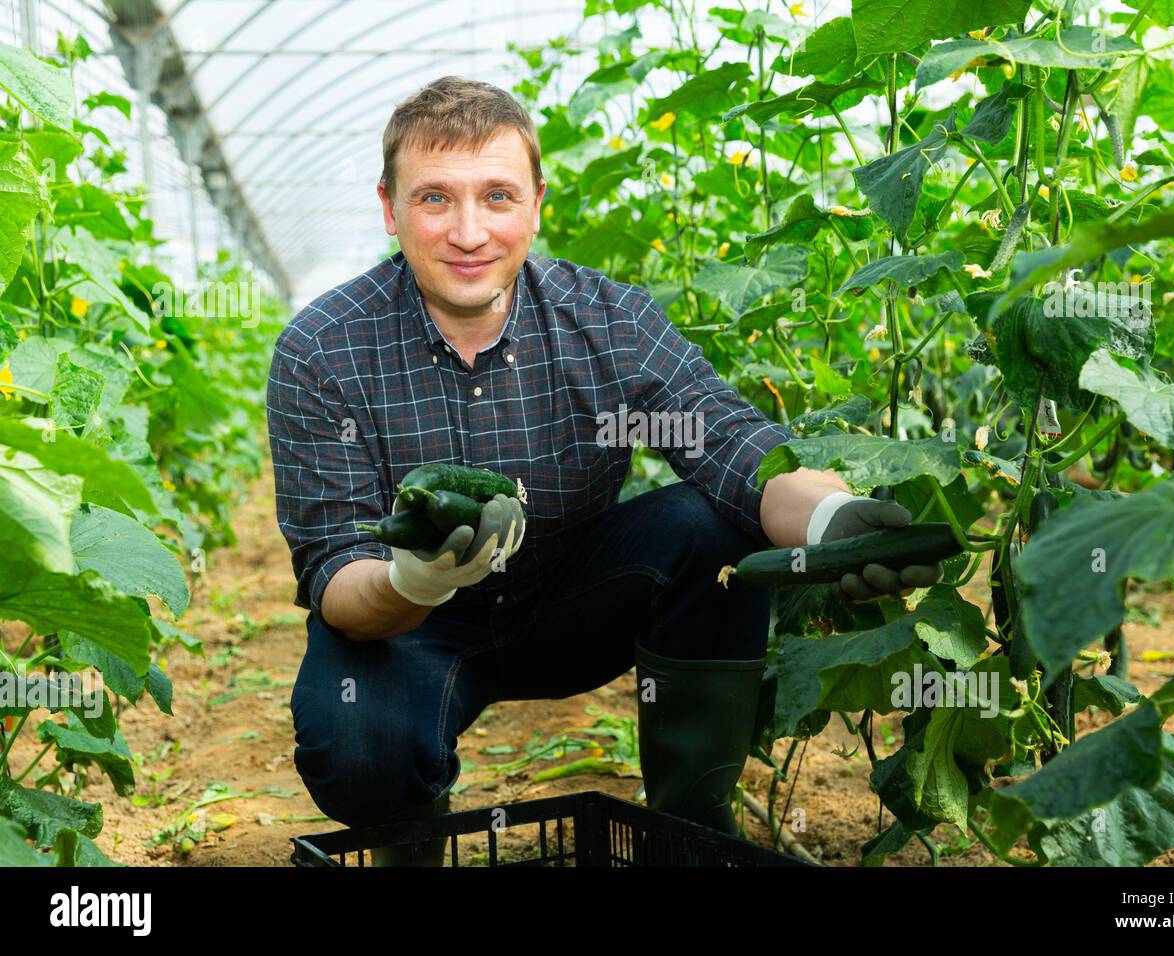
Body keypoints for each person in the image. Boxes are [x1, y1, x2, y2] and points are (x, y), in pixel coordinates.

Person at [266, 76, 942, 865]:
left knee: (708, 523)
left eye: (497, 196)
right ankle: (409, 841)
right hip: (406, 627)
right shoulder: (322, 351)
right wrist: (417, 579)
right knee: (353, 739)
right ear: (390, 209)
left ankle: (691, 829)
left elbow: (731, 444)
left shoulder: (609, 320)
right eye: (435, 200)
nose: (470, 230)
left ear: (537, 204)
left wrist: (834, 521)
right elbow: (337, 569)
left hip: (571, 602)